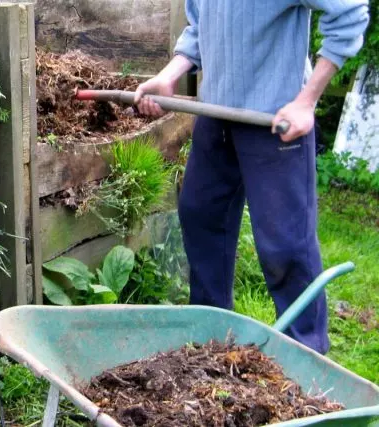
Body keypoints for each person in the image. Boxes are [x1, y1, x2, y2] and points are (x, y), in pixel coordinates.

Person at [134, 0, 369, 354]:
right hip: (216, 115)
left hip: (274, 122)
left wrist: (306, 101)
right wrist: (168, 76)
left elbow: (350, 13)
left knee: (285, 245)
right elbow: (201, 26)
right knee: (201, 218)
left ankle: (304, 354)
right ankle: (210, 339)